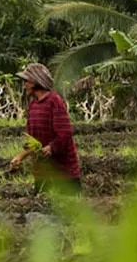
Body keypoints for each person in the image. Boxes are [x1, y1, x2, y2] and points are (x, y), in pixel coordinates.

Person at [9, 63, 82, 194]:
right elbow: (32, 141)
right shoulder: (33, 106)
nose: (24, 85)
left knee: (70, 211)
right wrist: (20, 157)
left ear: (34, 82)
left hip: (63, 172)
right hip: (42, 172)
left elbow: (65, 133)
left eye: (26, 81)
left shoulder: (55, 101)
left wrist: (51, 147)